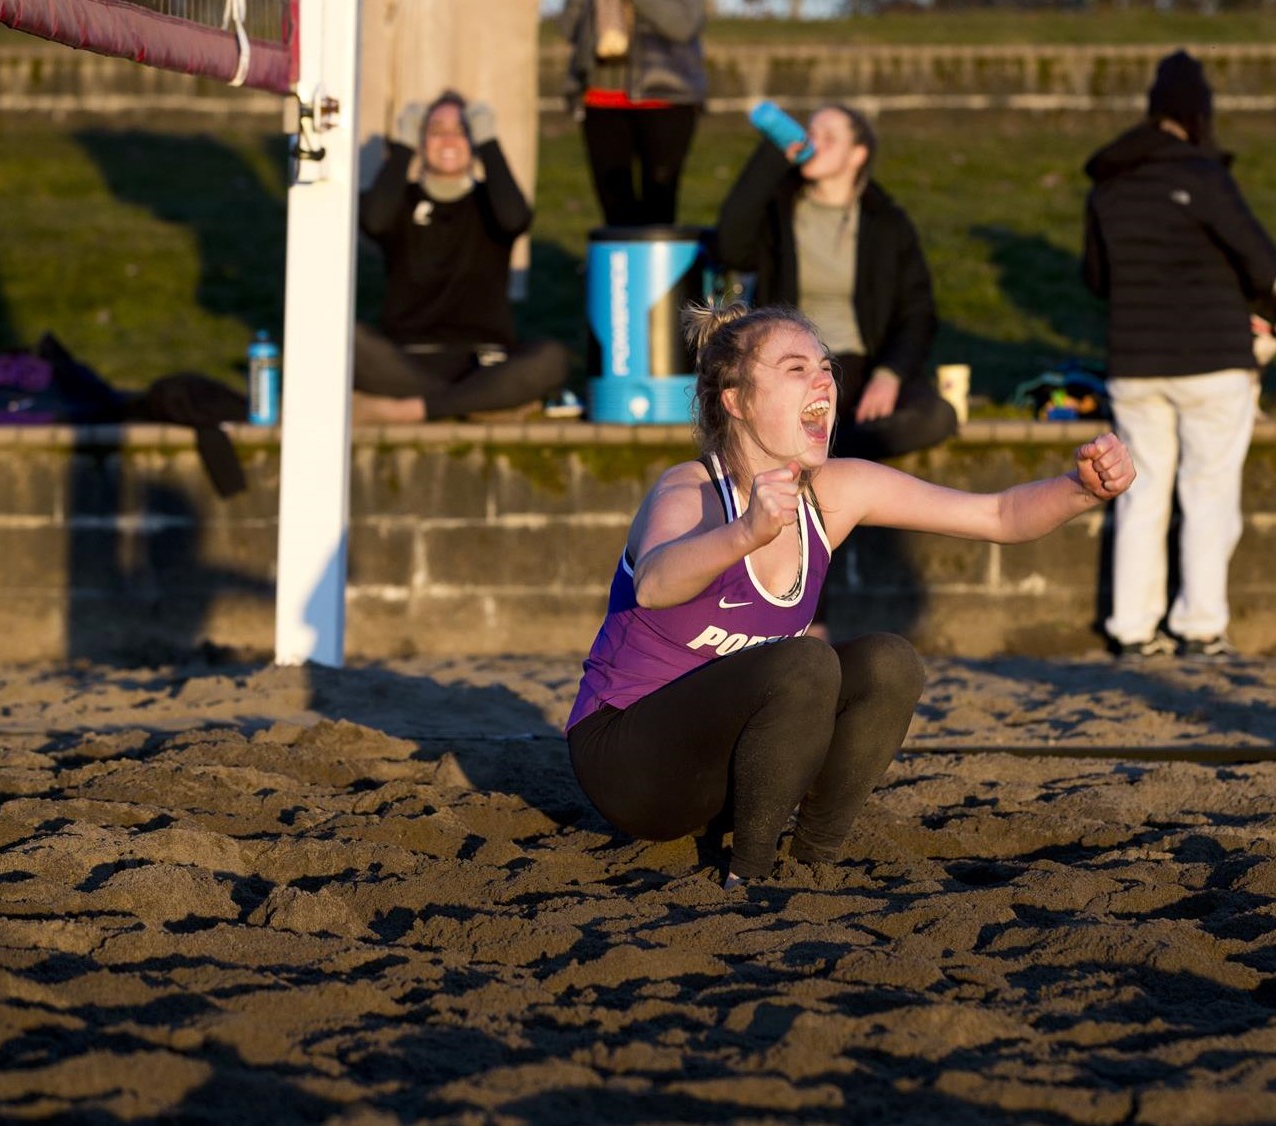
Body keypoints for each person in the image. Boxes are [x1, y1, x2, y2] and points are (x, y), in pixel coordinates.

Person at [565, 302, 1135, 886]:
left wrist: (1080, 491)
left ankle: (814, 863)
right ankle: (748, 875)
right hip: (629, 768)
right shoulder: (692, 491)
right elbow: (655, 585)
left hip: (729, 770)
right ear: (736, 401)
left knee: (890, 662)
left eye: (826, 367)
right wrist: (746, 533)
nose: (823, 381)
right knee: (806, 661)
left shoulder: (834, 491)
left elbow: (998, 515)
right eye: (796, 368)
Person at [1082, 50, 1276, 662]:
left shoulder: (1109, 183)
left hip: (1136, 363)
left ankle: (1132, 628)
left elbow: (1096, 278)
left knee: (1141, 494)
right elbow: (1265, 264)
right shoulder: (1205, 175)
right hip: (1213, 361)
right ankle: (1199, 627)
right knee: (1208, 494)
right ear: (1200, 114)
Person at [714, 104, 957, 463]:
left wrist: (889, 375)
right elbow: (730, 247)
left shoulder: (886, 223)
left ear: (857, 155)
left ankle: (825, 450)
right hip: (794, 367)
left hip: (861, 368)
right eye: (810, 133)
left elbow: (917, 312)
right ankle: (828, 449)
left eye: (828, 137)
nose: (813, 142)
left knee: (936, 417)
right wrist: (772, 156)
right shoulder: (779, 210)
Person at [354, 91, 568, 424]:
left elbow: (516, 219)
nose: (449, 140)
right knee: (346, 337)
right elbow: (374, 221)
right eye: (436, 131)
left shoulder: (492, 201)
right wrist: (402, 147)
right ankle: (484, 405)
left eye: (462, 131)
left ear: (475, 142)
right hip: (407, 361)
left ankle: (413, 410)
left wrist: (490, 143)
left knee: (552, 358)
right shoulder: (400, 200)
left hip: (485, 362)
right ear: (421, 143)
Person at [559, 0, 707, 227]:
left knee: (659, 206)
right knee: (615, 212)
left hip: (665, 96)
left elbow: (684, 26)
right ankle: (618, 251)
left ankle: (657, 251)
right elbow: (567, 28)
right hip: (600, 100)